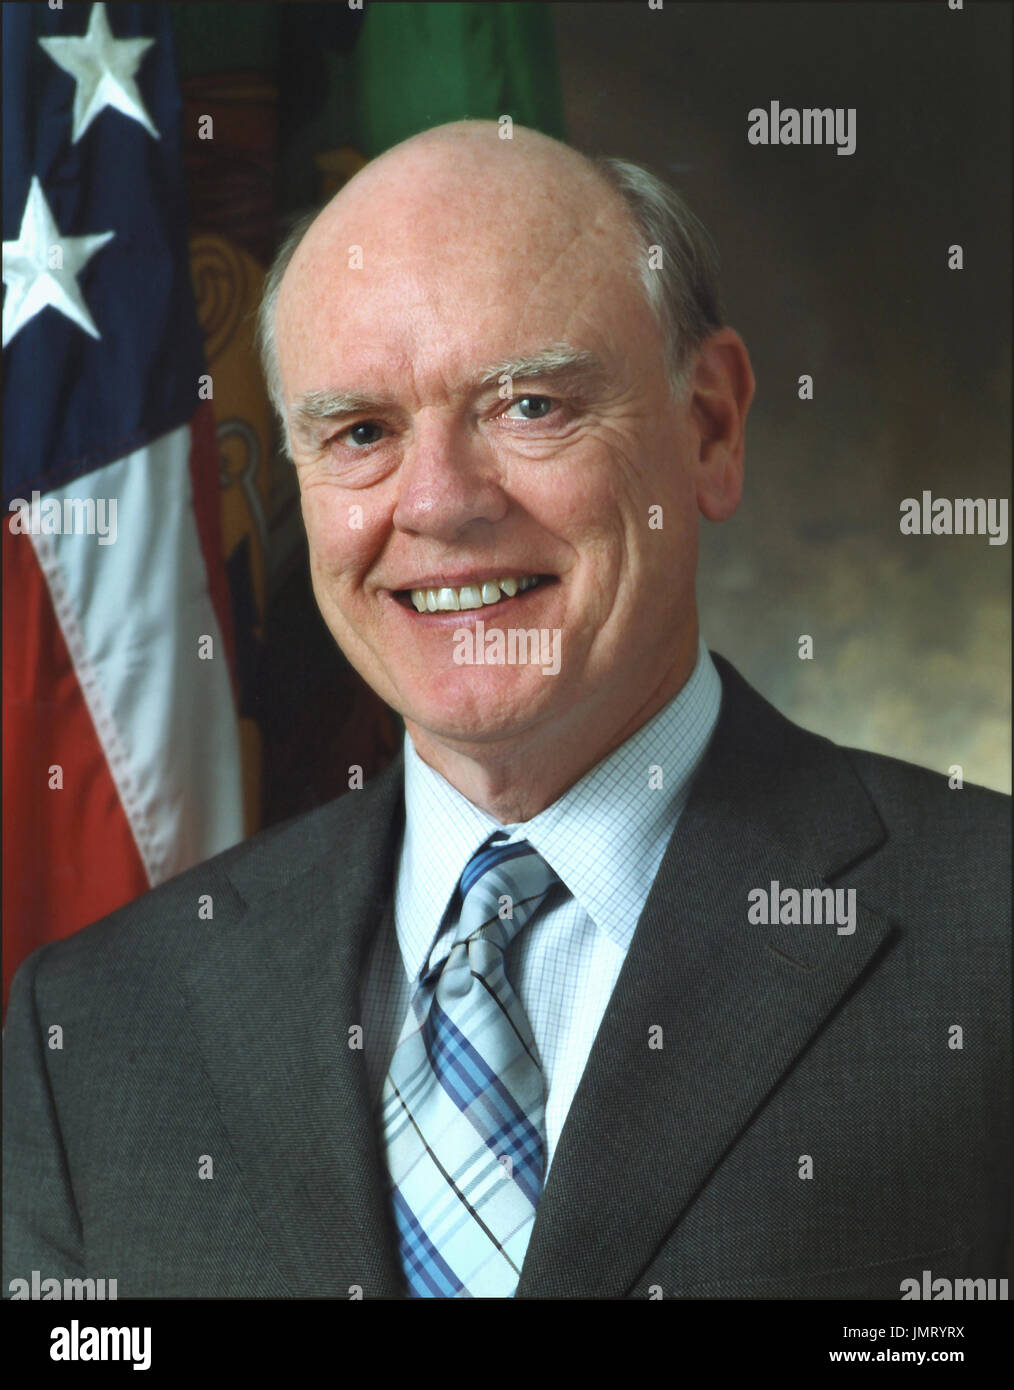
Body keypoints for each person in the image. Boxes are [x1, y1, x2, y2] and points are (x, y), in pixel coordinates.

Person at [4, 121, 1008, 1300]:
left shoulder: (986, 939)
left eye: (529, 405)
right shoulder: (97, 1028)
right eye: (362, 432)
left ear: (712, 427)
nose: (439, 503)